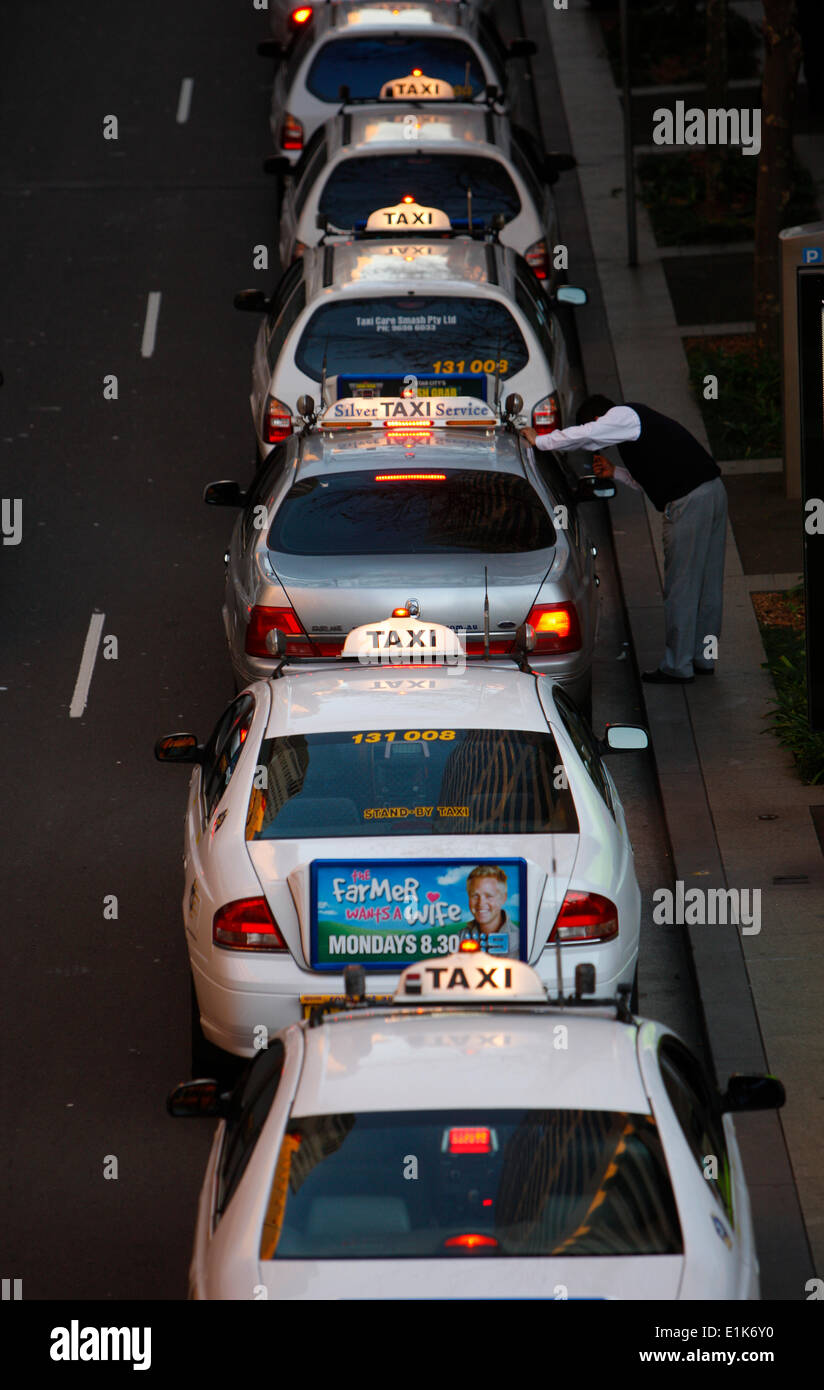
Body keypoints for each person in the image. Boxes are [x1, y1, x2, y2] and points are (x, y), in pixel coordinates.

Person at [521, 395, 727, 684]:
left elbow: (587, 435)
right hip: (712, 492)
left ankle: (678, 666)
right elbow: (654, 477)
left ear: (598, 419)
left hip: (689, 503)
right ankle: (703, 657)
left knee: (682, 585)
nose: (599, 443)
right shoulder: (638, 426)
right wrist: (615, 472)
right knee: (707, 582)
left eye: (594, 426)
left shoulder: (624, 416)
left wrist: (541, 440)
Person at [464, 865, 519, 956]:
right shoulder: (461, 936)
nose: (481, 903)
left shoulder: (518, 940)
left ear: (503, 898)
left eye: (489, 896)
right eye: (475, 895)